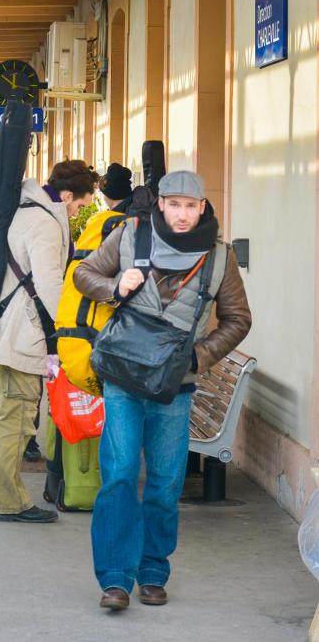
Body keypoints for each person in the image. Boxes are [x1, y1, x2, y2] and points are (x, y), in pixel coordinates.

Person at [74, 170, 251, 610]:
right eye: (174, 204)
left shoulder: (219, 258)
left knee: (165, 482)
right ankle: (115, 579)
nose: (183, 214)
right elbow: (84, 274)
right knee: (117, 475)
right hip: (124, 378)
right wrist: (115, 287)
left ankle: (153, 571)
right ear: (161, 206)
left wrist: (201, 356)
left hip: (176, 385)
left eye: (191, 206)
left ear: (203, 208)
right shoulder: (132, 236)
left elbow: (239, 319)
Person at [0, 160, 97, 523]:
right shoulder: (44, 222)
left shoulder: (20, 208)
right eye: (80, 205)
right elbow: (50, 283)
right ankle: (9, 501)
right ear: (67, 195)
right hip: (19, 335)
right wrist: (70, 328)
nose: (77, 213)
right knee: (17, 417)